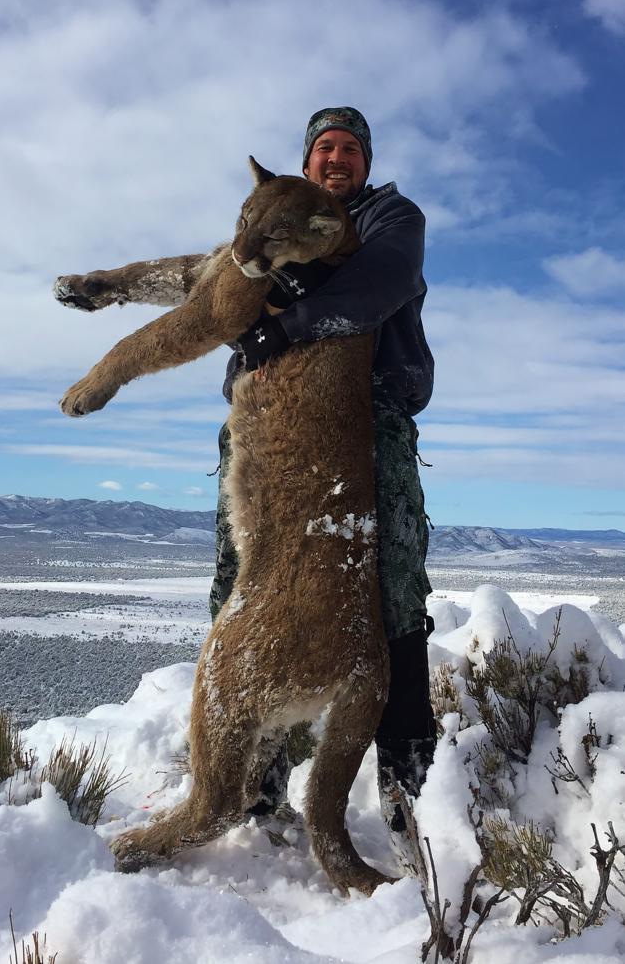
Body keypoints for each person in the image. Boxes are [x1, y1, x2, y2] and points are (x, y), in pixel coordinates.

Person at [210, 107, 437, 839]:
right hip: (270, 420)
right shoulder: (273, 224)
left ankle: (414, 792)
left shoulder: (390, 218)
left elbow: (379, 286)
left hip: (367, 416)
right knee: (243, 588)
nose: (336, 158)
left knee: (394, 589)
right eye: (324, 148)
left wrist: (283, 327)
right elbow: (215, 288)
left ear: (364, 162)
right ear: (304, 163)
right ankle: (251, 785)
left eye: (348, 148)